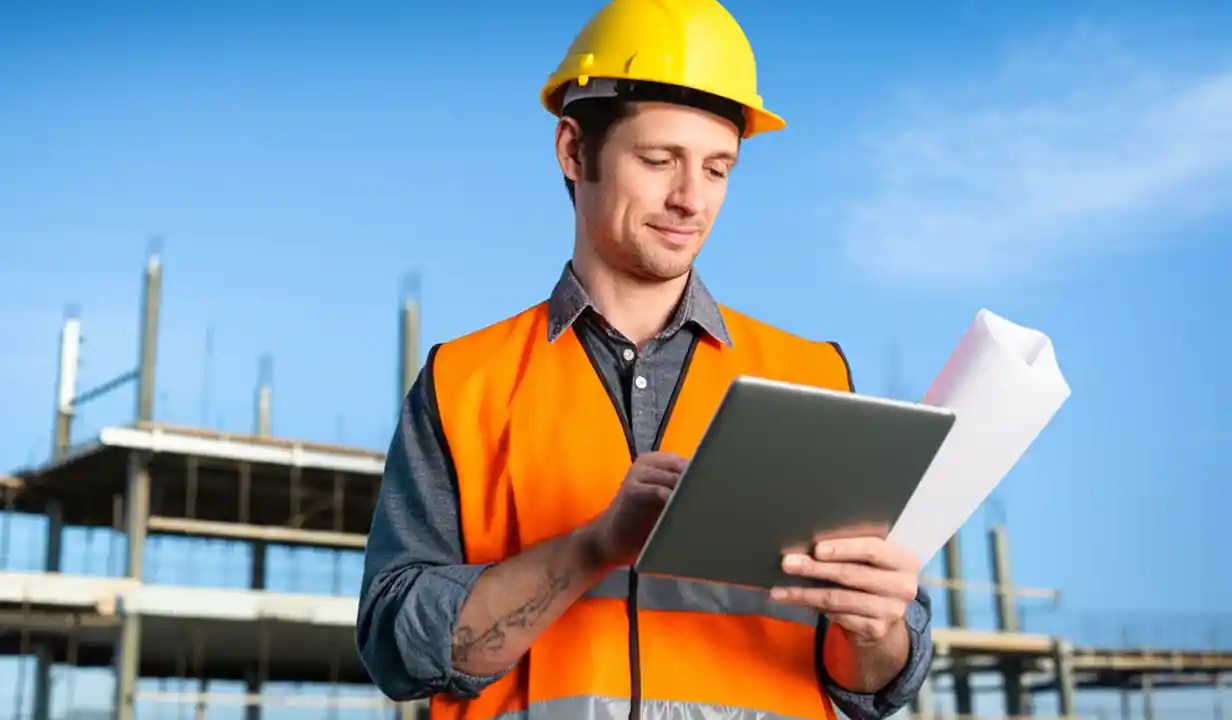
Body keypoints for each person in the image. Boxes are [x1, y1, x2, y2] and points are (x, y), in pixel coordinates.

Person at [356, 1, 933, 718]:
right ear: (573, 150)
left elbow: (875, 678)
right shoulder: (463, 382)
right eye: (660, 161)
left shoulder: (813, 375)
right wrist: (593, 546)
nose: (691, 199)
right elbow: (396, 646)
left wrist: (878, 626)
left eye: (718, 169)